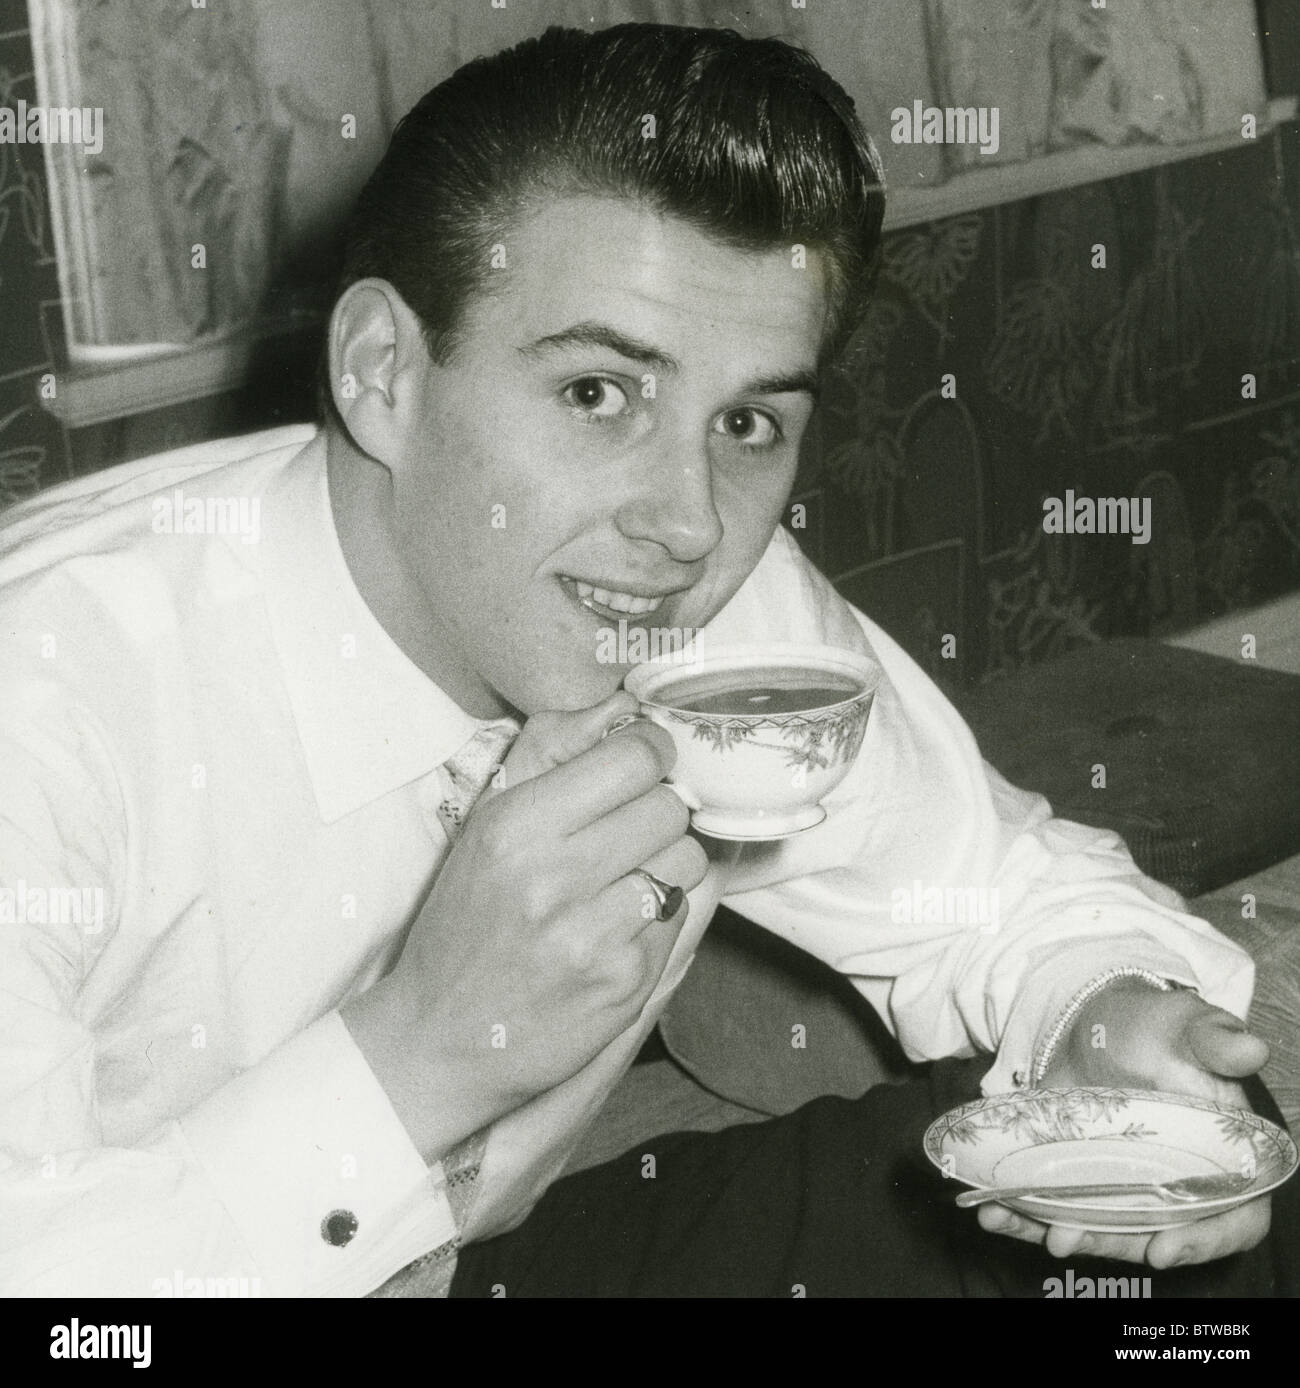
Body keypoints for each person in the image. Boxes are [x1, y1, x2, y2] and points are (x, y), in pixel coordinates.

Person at [0, 23, 1291, 1299]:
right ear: (385, 370)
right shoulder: (47, 704)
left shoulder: (672, 601)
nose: (687, 522)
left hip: (478, 1266)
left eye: (746, 422)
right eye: (598, 395)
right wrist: (420, 1051)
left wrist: (1106, 1012)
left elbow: (993, 889)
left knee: (1162, 1199)